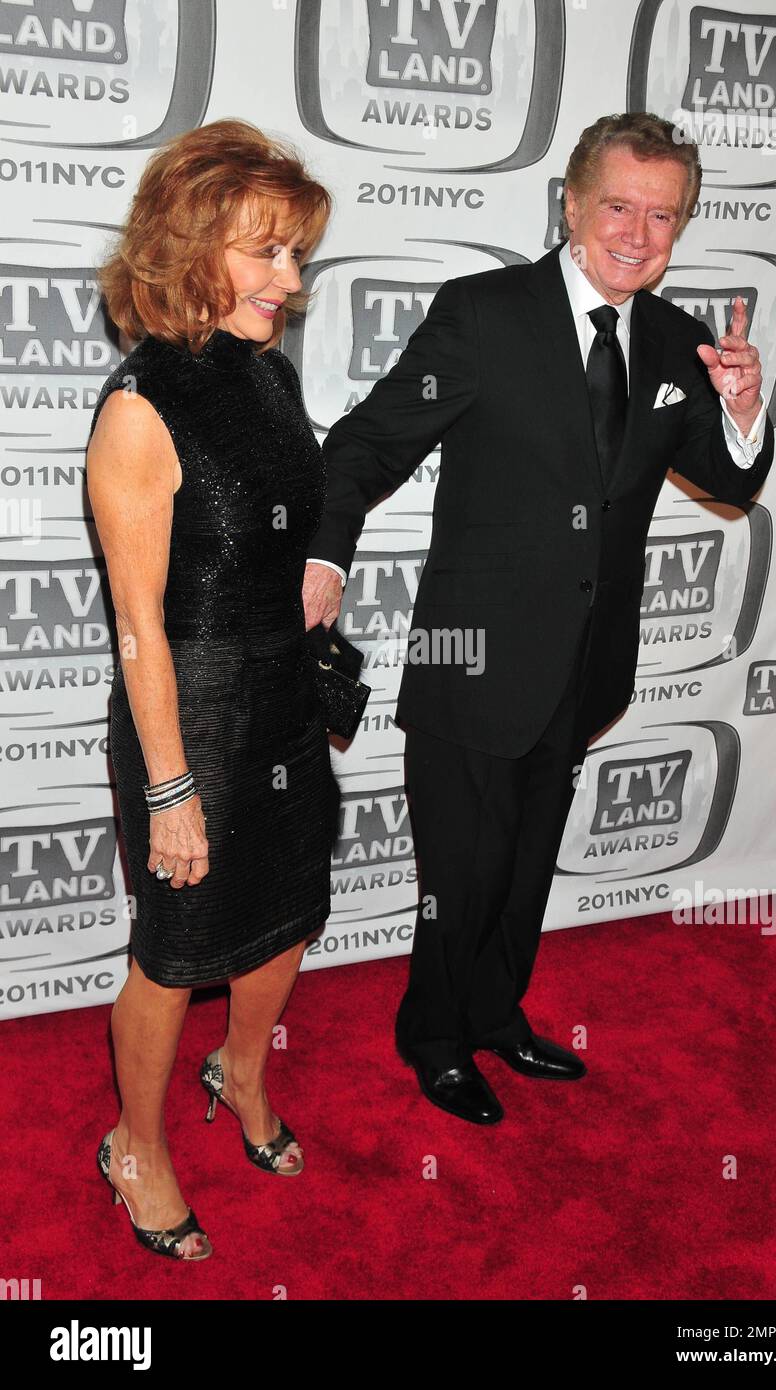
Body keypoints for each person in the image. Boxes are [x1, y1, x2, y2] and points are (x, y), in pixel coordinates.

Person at [302, 112, 775, 1125]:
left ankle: (495, 1013)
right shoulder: (484, 315)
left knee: (525, 868)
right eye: (618, 205)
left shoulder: (680, 341)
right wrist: (324, 551)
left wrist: (742, 407)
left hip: (585, 665)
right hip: (469, 658)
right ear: (569, 201)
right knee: (461, 872)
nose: (638, 234)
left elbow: (729, 480)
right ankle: (433, 1036)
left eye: (663, 216)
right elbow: (365, 444)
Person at [86, 118, 337, 1259]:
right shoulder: (141, 407)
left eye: (295, 254)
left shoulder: (269, 372)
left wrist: (308, 595)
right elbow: (139, 627)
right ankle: (135, 1143)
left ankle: (239, 1077)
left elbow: (279, 531)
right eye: (265, 253)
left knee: (284, 919)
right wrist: (174, 786)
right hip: (190, 720)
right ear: (191, 250)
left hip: (285, 702)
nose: (290, 278)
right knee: (176, 949)